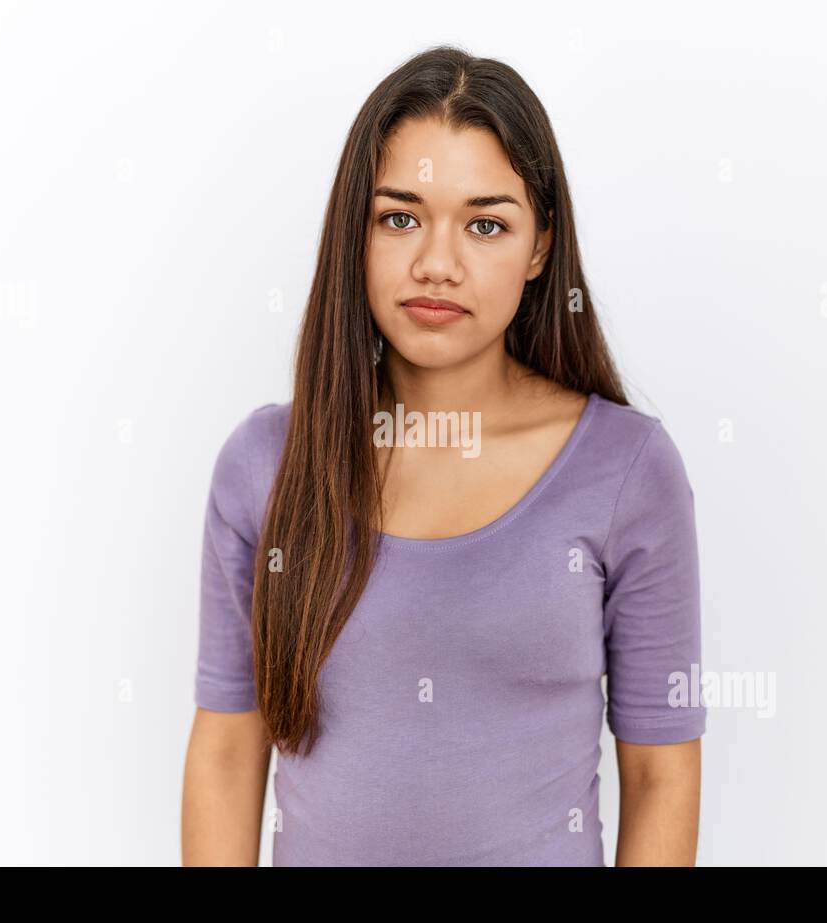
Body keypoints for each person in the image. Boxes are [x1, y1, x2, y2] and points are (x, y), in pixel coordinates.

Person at [181, 44, 705, 866]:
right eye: (400, 216)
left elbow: (660, 774)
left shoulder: (627, 470)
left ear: (539, 250)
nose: (436, 262)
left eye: (485, 224)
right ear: (355, 232)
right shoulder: (264, 467)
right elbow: (225, 750)